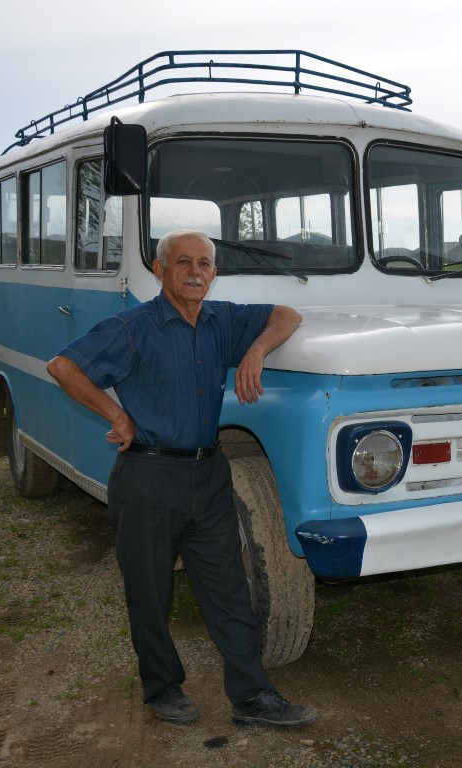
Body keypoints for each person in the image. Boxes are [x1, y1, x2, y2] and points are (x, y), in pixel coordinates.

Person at [46, 229, 316, 728]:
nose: (195, 272)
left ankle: (252, 697)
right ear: (159, 269)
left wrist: (254, 351)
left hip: (208, 474)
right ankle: (162, 687)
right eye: (183, 262)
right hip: (147, 476)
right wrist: (116, 414)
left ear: (214, 272)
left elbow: (288, 315)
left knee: (229, 589)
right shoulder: (133, 328)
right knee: (150, 593)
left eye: (205, 264)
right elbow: (63, 366)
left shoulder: (223, 320)